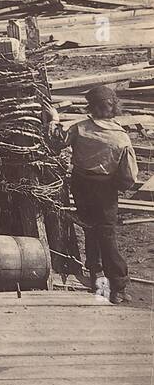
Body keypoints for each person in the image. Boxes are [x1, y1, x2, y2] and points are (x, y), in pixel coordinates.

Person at [64, 85, 138, 303]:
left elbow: (57, 143)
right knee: (107, 234)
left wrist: (52, 119)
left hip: (80, 185)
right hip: (105, 189)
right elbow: (128, 176)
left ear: (91, 107)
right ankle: (118, 287)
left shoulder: (79, 129)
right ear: (114, 107)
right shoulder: (120, 138)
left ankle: (95, 275)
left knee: (90, 229)